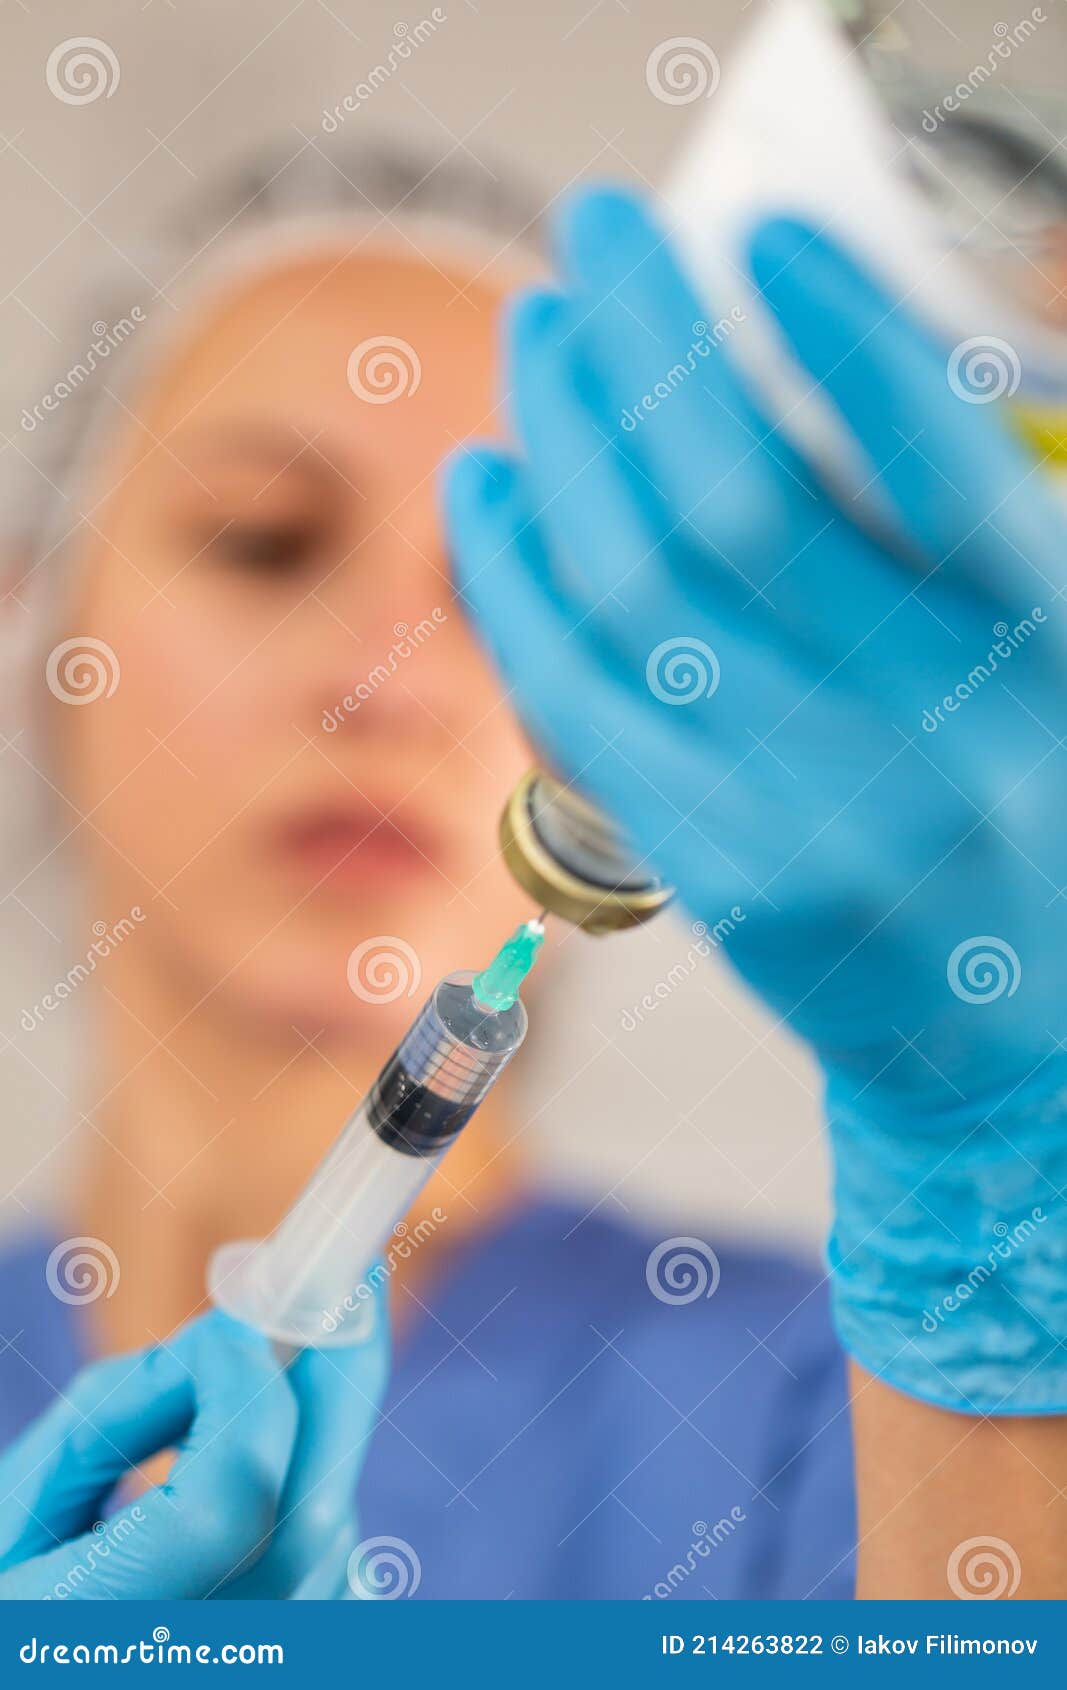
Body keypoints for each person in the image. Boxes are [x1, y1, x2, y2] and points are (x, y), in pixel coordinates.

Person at [0, 146, 854, 1600]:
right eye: (267, 541)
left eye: (513, 589)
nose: (389, 684)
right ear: (38, 631)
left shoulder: (844, 1421)